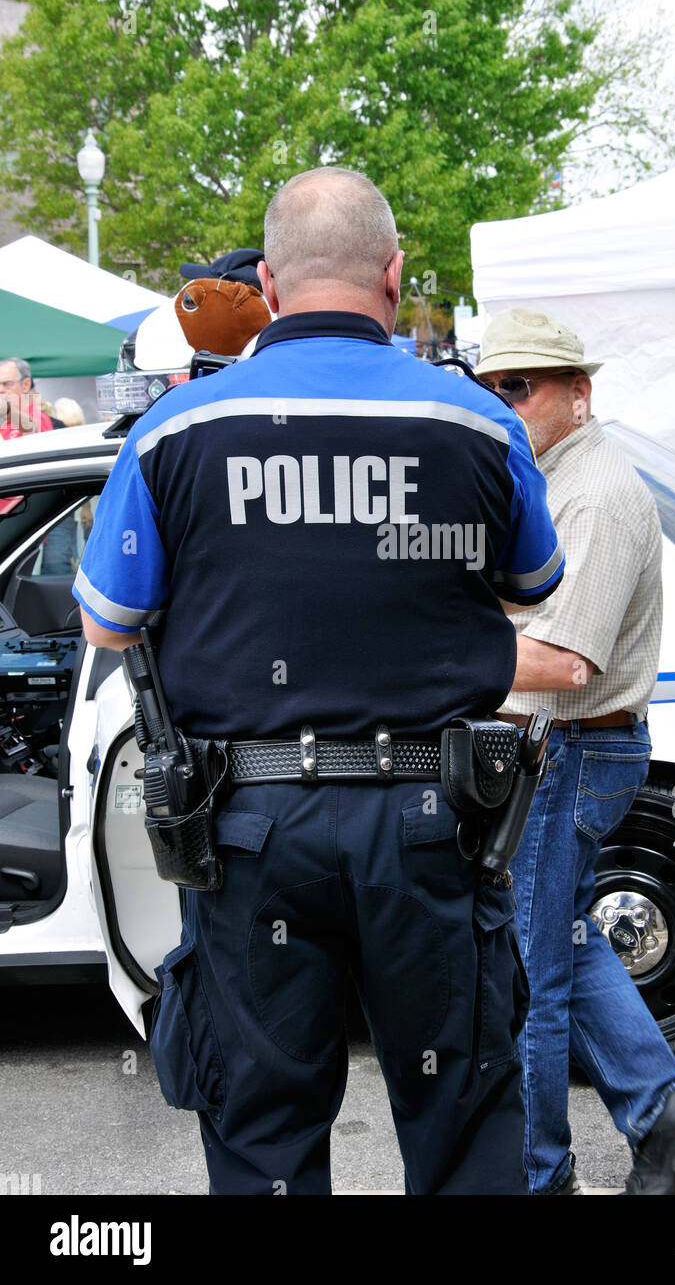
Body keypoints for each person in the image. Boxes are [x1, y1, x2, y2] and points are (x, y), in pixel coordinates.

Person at [71, 168, 565, 1196]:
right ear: (392, 274)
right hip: (433, 822)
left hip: (249, 831)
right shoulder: (476, 422)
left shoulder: (175, 431)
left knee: (262, 1129)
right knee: (463, 1120)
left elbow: (105, 619)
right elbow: (530, 585)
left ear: (267, 280)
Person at [476, 307, 675, 1196]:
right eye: (491, 386)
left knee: (530, 984)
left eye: (521, 386)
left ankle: (540, 1180)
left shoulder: (595, 492)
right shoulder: (552, 478)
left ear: (578, 394)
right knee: (568, 947)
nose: (503, 403)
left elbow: (563, 660)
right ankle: (667, 1117)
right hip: (567, 749)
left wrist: (432, 648)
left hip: (567, 748)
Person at [0, 358, 56, 438]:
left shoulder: (39, 418)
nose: (0, 390)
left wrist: (7, 409)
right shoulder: (6, 425)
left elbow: (32, 431)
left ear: (26, 385)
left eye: (7, 384)